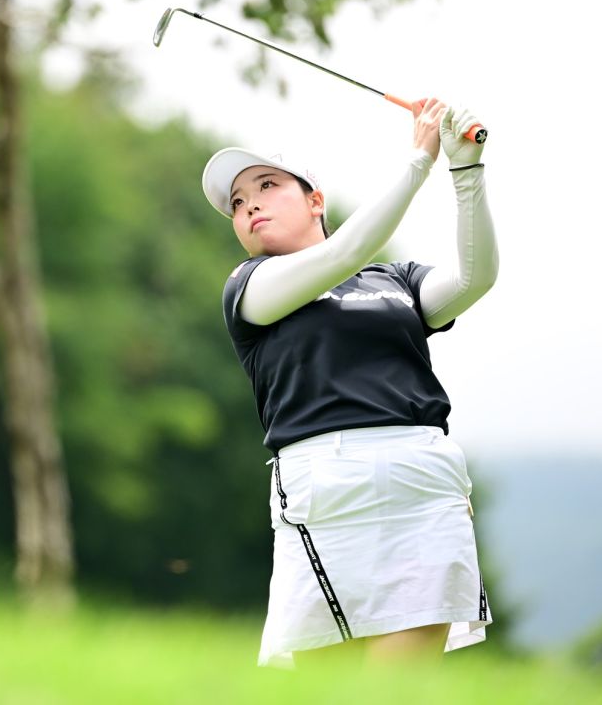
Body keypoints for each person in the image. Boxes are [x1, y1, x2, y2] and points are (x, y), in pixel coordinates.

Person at [202, 99, 497, 668]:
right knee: (331, 690)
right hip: (327, 484)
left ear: (316, 200)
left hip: (423, 478)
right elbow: (346, 249)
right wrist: (419, 159)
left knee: (400, 688)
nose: (249, 205)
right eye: (237, 203)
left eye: (266, 185)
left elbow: (473, 278)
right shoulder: (249, 286)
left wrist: (466, 171)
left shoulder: (395, 280)